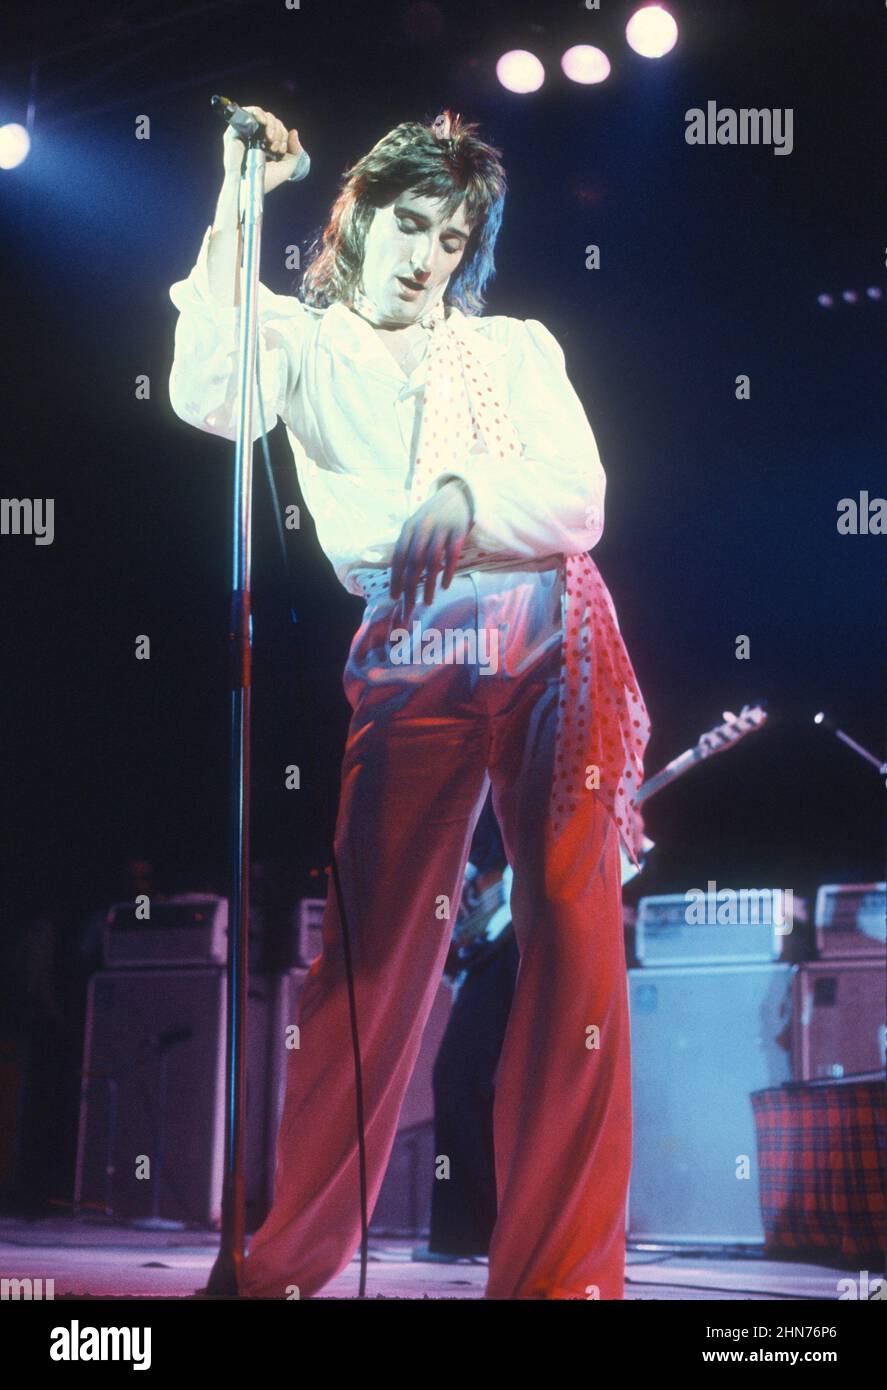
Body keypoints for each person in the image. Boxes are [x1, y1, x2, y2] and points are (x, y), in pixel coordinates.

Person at [168, 105, 650, 1300]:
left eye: (453, 232)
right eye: (410, 222)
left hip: (546, 629)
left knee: (572, 946)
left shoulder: (508, 348)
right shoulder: (290, 337)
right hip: (407, 643)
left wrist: (460, 483)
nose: (428, 252)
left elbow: (579, 498)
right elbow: (207, 391)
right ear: (360, 217)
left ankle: (560, 1280)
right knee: (370, 961)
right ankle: (282, 1265)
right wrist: (241, 195)